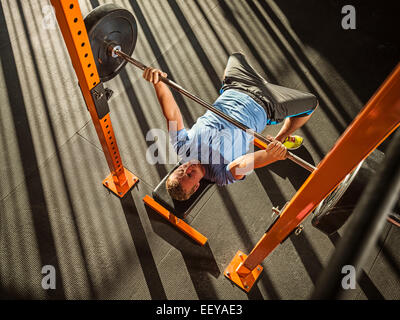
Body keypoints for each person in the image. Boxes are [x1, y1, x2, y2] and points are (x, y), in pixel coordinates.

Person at [143, 53, 318, 201]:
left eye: (181, 169)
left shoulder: (182, 149)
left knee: (236, 56)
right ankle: (280, 138)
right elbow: (244, 164)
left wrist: (159, 83)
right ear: (196, 186)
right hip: (268, 104)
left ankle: (269, 141)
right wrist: (272, 153)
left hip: (236, 86)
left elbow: (172, 115)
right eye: (190, 175)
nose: (188, 168)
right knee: (311, 104)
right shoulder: (221, 175)